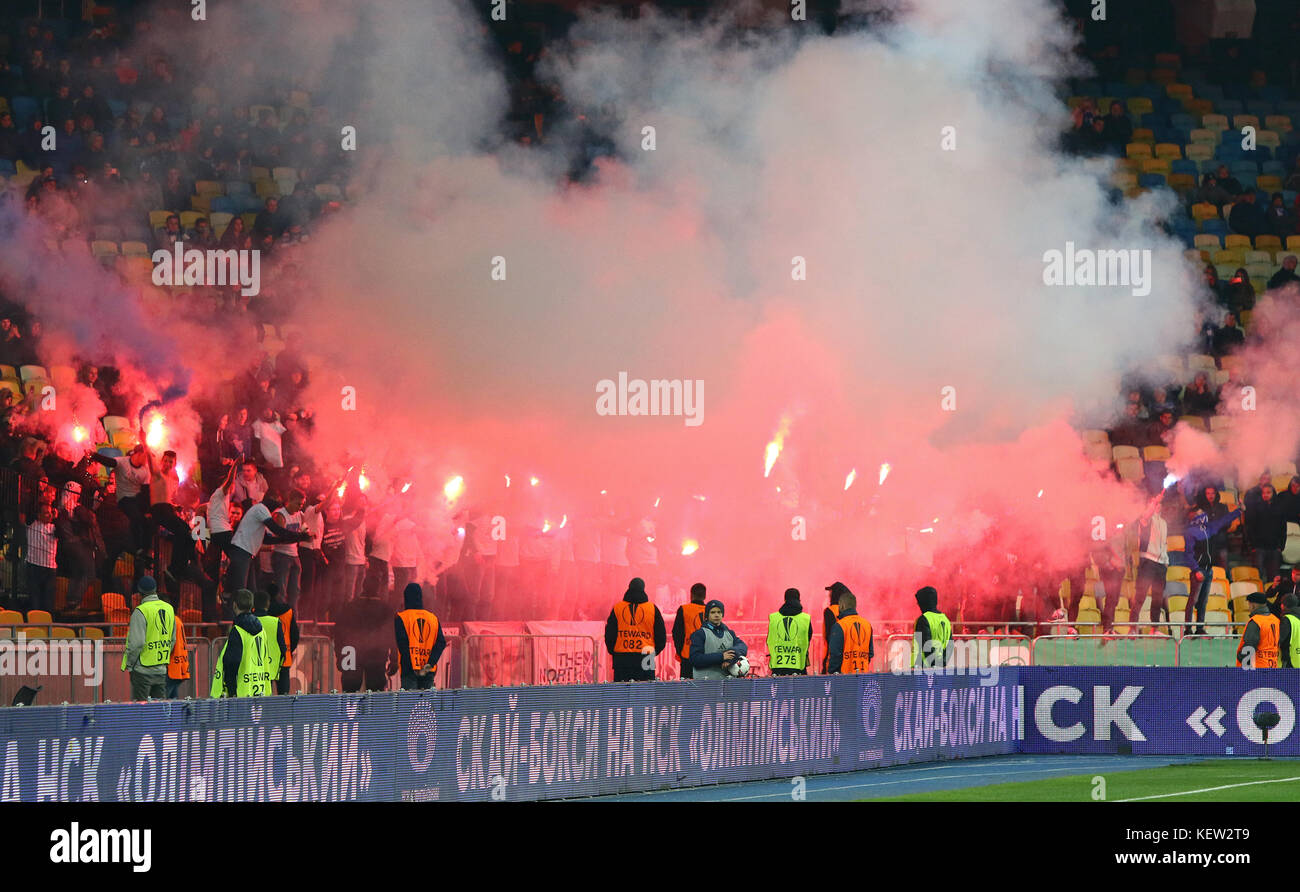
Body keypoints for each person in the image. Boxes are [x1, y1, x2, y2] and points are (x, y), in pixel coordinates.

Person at [225, 494, 312, 594]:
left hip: (246, 553)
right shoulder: (261, 509)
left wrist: (285, 540)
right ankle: (235, 608)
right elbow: (277, 530)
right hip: (241, 552)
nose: (275, 514)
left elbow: (266, 539)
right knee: (240, 590)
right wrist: (301, 537)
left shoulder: (259, 511)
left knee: (251, 590)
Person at [1180, 501, 1244, 635]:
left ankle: (1199, 628)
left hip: (1209, 569)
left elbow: (1224, 520)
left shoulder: (1210, 527)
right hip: (1199, 570)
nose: (1203, 515)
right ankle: (1187, 629)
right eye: (1199, 513)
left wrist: (1239, 511)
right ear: (1192, 516)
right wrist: (1196, 569)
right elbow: (1188, 554)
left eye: (1202, 512)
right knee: (1193, 600)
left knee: (1203, 601)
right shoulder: (1190, 532)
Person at [334, 575, 392, 692]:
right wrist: (394, 660)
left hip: (350, 653)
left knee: (349, 693)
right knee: (375, 694)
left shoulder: (350, 607)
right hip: (377, 654)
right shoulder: (385, 609)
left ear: (363, 586)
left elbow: (339, 633)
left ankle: (349, 710)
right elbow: (391, 635)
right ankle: (372, 710)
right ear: (378, 588)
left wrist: (339, 656)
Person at [120, 576, 174, 701]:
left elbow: (137, 644)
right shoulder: (169, 609)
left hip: (142, 670)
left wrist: (130, 664)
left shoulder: (140, 611)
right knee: (159, 710)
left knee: (142, 710)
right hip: (161, 669)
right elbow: (172, 640)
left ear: (140, 593)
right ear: (155, 590)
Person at [604, 577, 666, 682]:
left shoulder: (617, 608)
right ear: (643, 589)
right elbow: (661, 637)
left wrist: (614, 652)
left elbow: (610, 634)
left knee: (622, 694)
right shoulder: (652, 609)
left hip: (622, 659)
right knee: (645, 693)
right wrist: (653, 653)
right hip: (647, 657)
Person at [219, 588, 277, 697]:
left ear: (235, 605)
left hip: (240, 689)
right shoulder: (261, 630)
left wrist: (230, 687)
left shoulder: (238, 630)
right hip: (259, 686)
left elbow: (232, 661)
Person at [394, 583, 447, 690]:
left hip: (409, 671)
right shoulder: (432, 618)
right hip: (428, 671)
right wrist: (429, 664)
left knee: (409, 704)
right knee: (427, 705)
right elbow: (441, 643)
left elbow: (403, 645)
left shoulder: (402, 617)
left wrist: (412, 667)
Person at [1133, 486, 1170, 632]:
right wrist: (1154, 502)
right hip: (1147, 561)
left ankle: (1155, 628)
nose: (1158, 506)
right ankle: (1133, 628)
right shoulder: (1146, 518)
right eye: (1155, 503)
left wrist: (1166, 561)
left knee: (1157, 598)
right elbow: (1146, 515)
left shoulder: (1164, 523)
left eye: (1159, 503)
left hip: (1160, 564)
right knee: (1140, 596)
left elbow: (1164, 543)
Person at [688, 599, 749, 680]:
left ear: (722, 614)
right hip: (704, 684)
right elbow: (695, 659)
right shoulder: (700, 634)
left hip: (726, 684)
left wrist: (731, 657)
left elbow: (743, 646)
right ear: (707, 615)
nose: (716, 615)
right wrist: (721, 657)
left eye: (719, 612)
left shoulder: (729, 633)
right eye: (712, 612)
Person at [1244, 483, 1286, 586]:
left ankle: (1271, 598)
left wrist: (1281, 546)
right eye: (1264, 493)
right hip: (1259, 546)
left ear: (1273, 493)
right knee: (1257, 575)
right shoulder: (1256, 508)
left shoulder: (1279, 507)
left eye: (1268, 492)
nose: (1265, 495)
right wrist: (1253, 545)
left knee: (1273, 577)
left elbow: (1283, 528)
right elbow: (1251, 527)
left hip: (1274, 546)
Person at [826, 590, 873, 674]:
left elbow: (835, 654)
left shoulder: (839, 625)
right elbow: (870, 654)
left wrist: (832, 672)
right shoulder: (867, 625)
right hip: (863, 675)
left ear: (842, 605)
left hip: (843, 678)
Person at [766, 588, 811, 676]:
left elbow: (770, 639)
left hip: (778, 668)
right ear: (799, 600)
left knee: (779, 690)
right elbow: (808, 638)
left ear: (785, 600)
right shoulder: (805, 619)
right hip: (798, 667)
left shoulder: (774, 618)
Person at [266, 582, 298, 694]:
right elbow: (295, 634)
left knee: (264, 697)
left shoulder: (259, 613)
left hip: (265, 659)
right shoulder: (288, 611)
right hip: (283, 658)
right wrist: (289, 650)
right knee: (284, 697)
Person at [672, 583, 708, 679]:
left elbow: (677, 633)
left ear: (691, 595)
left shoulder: (684, 609)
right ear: (705, 596)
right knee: (705, 689)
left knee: (687, 690)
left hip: (688, 656)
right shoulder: (711, 611)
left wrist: (680, 652)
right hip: (706, 657)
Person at [251, 588, 286, 687]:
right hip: (269, 670)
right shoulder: (275, 622)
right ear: (268, 604)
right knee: (266, 699)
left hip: (250, 670)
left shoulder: (247, 621)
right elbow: (282, 647)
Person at [1237, 591, 1280, 669]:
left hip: (1257, 667)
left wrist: (1240, 657)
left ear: (1253, 605)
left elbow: (1249, 646)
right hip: (1273, 665)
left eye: (1249, 604)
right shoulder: (1275, 620)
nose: (1249, 607)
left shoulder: (1256, 621)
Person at [911, 585, 951, 668]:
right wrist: (941, 663)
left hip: (922, 668)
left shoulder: (923, 619)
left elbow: (926, 645)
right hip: (939, 668)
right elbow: (950, 645)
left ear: (924, 602)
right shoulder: (945, 619)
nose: (917, 604)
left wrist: (932, 664)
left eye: (919, 601)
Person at [821, 581, 850, 672]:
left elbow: (829, 636)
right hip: (848, 656)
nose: (829, 595)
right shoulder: (849, 610)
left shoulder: (829, 611)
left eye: (831, 593)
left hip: (833, 657)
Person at [166, 613, 190, 699]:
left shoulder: (169, 620)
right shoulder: (177, 620)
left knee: (163, 703)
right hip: (179, 665)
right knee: (173, 701)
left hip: (171, 667)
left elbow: (170, 644)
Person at [1277, 593, 1300, 669]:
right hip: (1297, 660)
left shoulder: (1287, 619)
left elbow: (1279, 639)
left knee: (1287, 681)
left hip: (1290, 660)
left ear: (1283, 605)